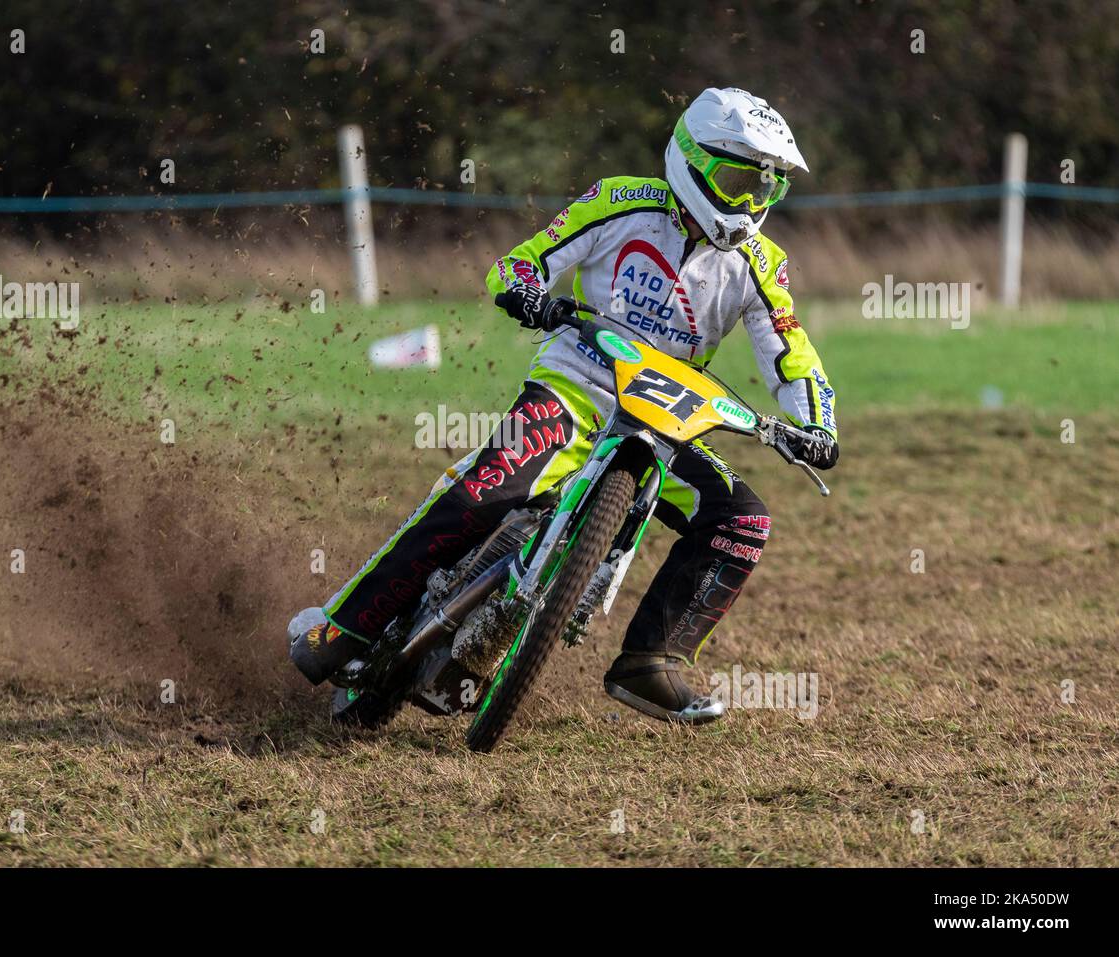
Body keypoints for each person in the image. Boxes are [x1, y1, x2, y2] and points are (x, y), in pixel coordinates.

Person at [288, 87, 838, 724]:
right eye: (740, 181)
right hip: (576, 387)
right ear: (692, 161)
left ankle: (650, 663)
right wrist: (529, 298)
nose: (751, 204)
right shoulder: (621, 203)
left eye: (767, 191)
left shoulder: (761, 264)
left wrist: (817, 425)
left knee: (742, 519)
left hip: (666, 422)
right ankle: (345, 626)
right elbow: (517, 266)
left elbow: (791, 354)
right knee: (483, 492)